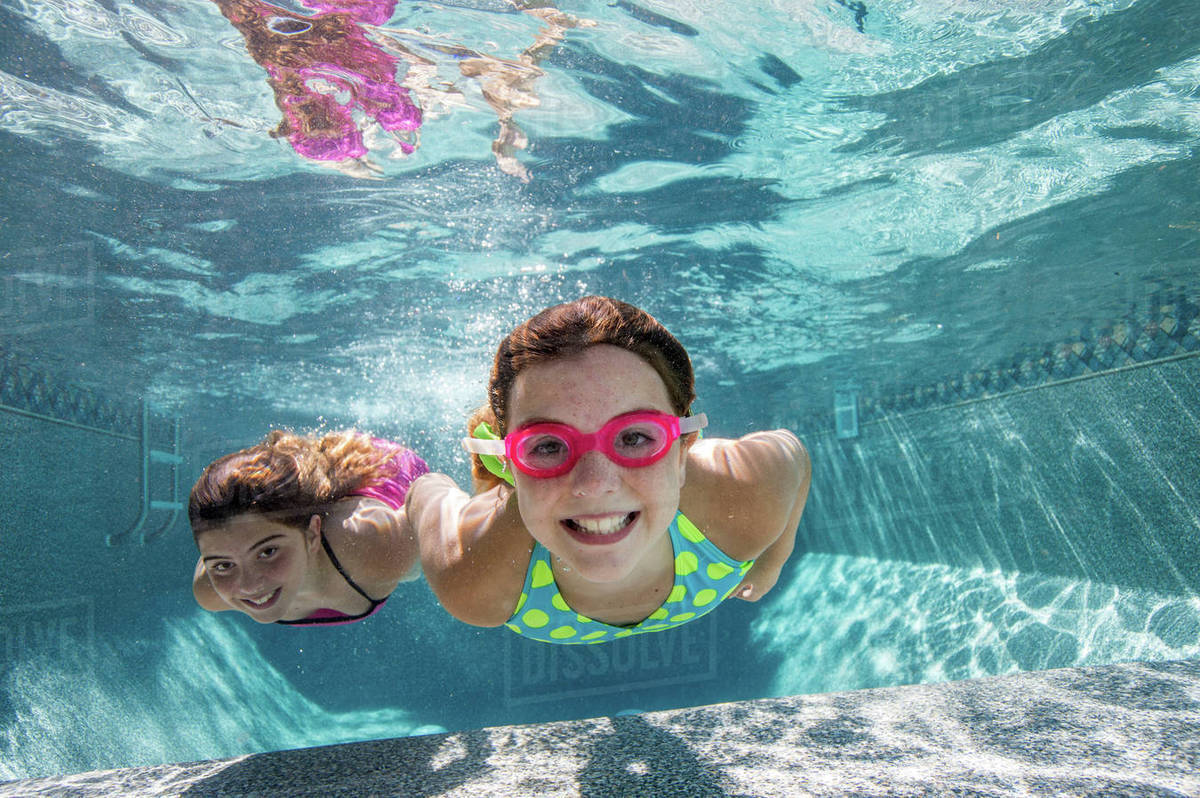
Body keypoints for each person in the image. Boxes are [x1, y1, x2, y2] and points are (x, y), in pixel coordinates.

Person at [405, 296, 811, 644]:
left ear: (685, 449)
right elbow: (424, 500)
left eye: (634, 438)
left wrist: (775, 557)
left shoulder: (750, 495)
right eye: (547, 445)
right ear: (511, 462)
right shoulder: (474, 581)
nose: (594, 485)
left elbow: (794, 454)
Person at [189, 430, 428, 626]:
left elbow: (438, 500)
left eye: (268, 552)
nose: (249, 586)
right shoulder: (210, 589)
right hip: (309, 487)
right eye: (224, 564)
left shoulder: (374, 547)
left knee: (414, 568)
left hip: (383, 465)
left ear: (312, 533)